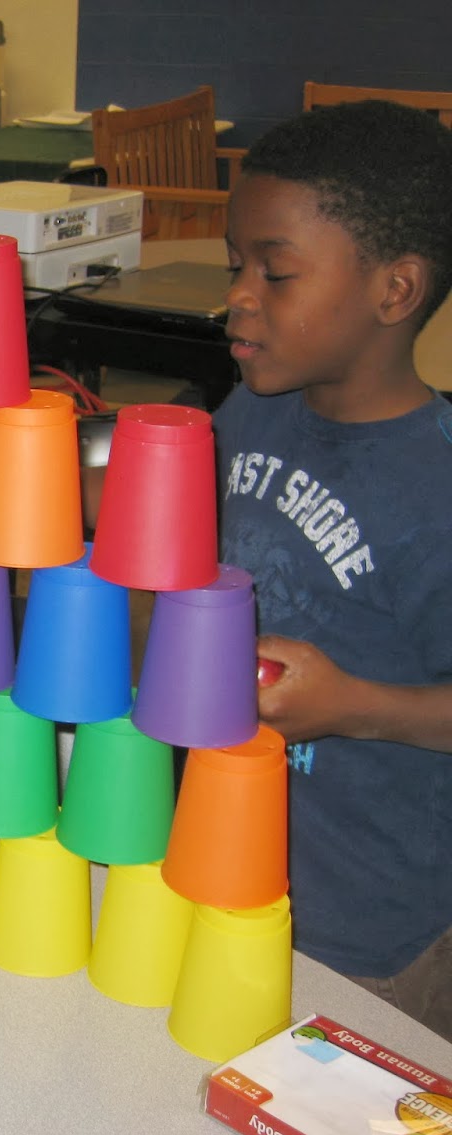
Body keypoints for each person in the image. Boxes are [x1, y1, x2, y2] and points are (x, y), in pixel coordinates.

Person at [214, 98, 452, 1040]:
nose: (239, 294)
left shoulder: (435, 488)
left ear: (395, 291)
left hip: (366, 936)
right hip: (229, 866)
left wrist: (352, 704)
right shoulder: (255, 409)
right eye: (239, 266)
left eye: (275, 272)